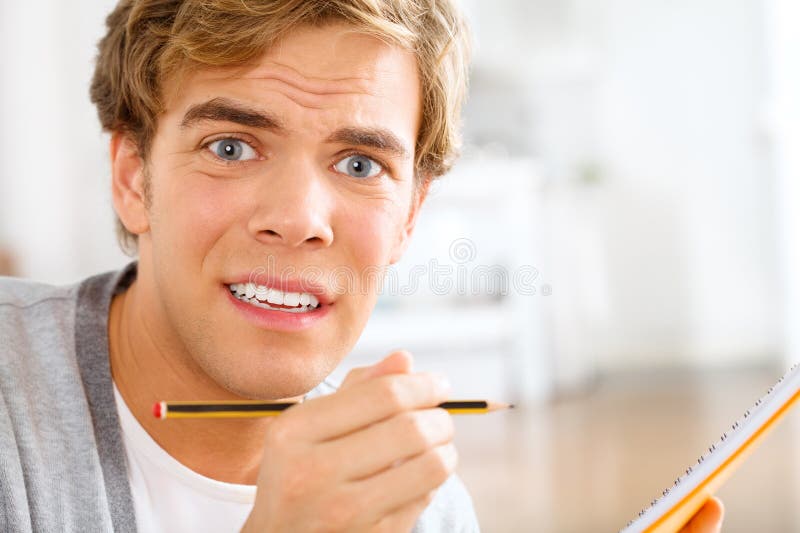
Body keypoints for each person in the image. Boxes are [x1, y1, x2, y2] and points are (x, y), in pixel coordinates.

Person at [0, 1, 724, 531]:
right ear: (132, 177)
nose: (299, 218)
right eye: (231, 147)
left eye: (358, 163)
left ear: (409, 216)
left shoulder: (422, 509)